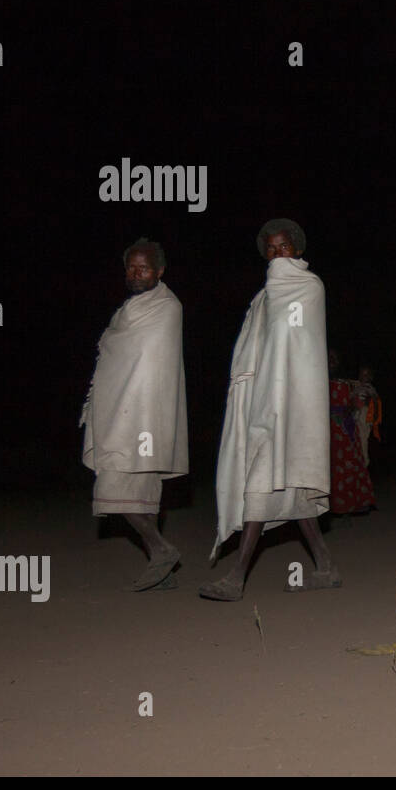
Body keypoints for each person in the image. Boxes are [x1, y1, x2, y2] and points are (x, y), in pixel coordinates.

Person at [201, 219, 341, 601]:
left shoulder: (309, 287)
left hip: (294, 407)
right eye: (272, 249)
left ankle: (236, 578)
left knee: (261, 484)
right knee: (296, 494)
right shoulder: (262, 299)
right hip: (264, 403)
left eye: (285, 247)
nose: (278, 254)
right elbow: (260, 352)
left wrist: (281, 396)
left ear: (297, 249)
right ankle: (326, 567)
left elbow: (297, 348)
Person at [80, 238, 188, 590]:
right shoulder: (129, 310)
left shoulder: (167, 308)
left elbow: (152, 365)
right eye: (131, 267)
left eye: (144, 267)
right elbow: (119, 358)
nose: (136, 273)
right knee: (138, 496)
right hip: (122, 412)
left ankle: (162, 550)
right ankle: (163, 571)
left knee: (118, 486)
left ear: (159, 271)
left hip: (147, 419)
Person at [328, 350, 377, 515]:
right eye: (329, 358)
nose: (332, 361)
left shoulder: (350, 385)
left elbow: (368, 405)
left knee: (354, 462)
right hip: (331, 428)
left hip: (348, 427)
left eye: (335, 358)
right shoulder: (319, 381)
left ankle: (354, 503)